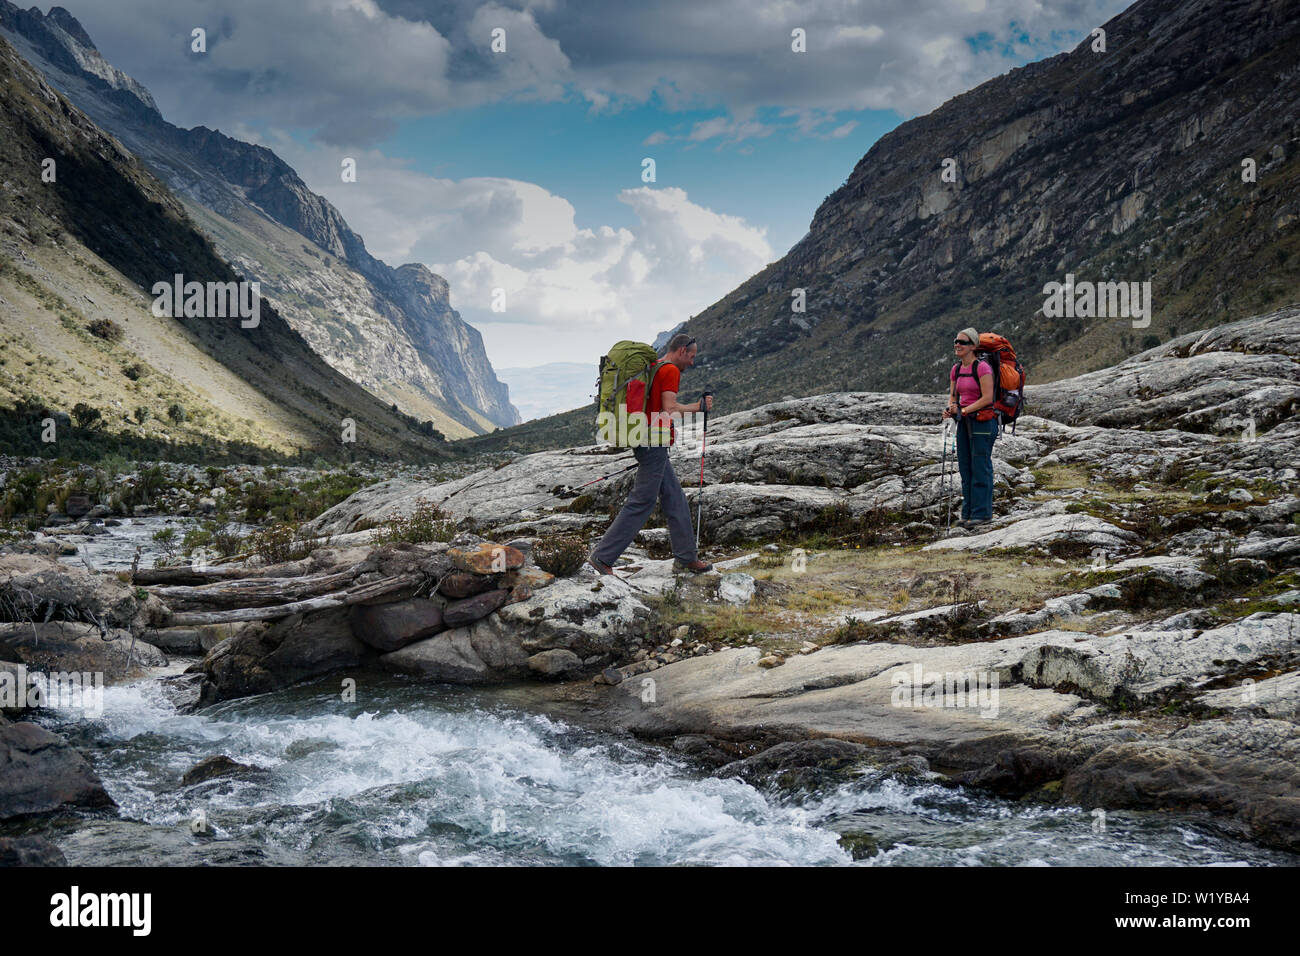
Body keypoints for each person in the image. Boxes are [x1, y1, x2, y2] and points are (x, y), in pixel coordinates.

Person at [588, 333, 714, 575]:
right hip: (653, 442)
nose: (692, 362)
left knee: (674, 497)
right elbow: (670, 410)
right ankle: (603, 558)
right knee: (643, 500)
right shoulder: (670, 371)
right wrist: (699, 408)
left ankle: (686, 557)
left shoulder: (654, 366)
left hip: (644, 437)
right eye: (691, 356)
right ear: (681, 351)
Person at [942, 327, 997, 528]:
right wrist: (951, 408)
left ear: (973, 346)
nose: (957, 345)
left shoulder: (982, 368)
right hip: (964, 422)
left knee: (980, 466)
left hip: (982, 422)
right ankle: (967, 513)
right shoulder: (956, 369)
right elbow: (953, 395)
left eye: (963, 342)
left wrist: (963, 411)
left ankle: (982, 514)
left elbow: (987, 398)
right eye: (956, 341)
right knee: (966, 467)